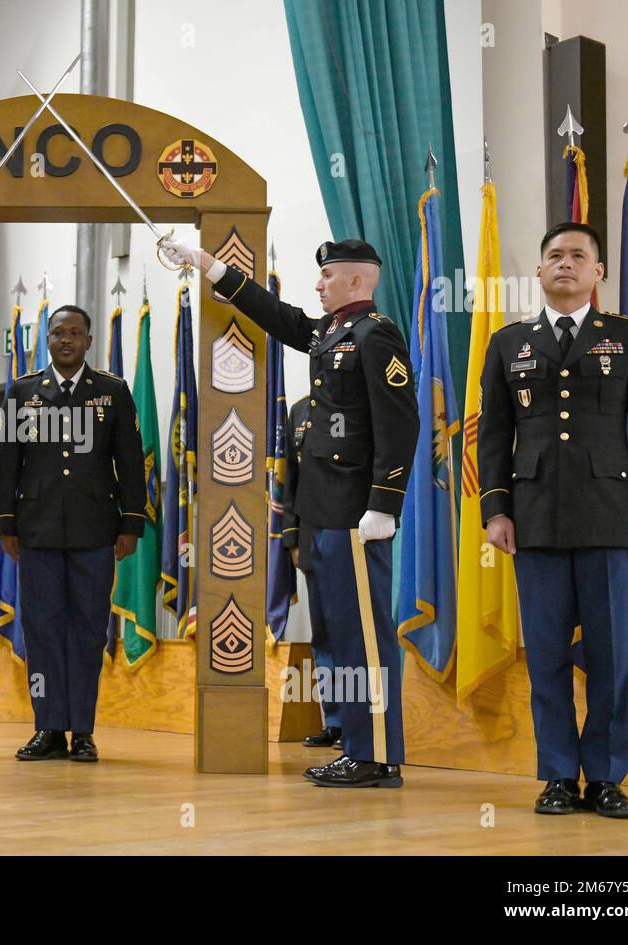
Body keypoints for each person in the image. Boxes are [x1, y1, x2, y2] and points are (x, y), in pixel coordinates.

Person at [161, 236, 418, 787]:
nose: (318, 285)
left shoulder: (376, 335)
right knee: (337, 633)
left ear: (356, 280)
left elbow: (400, 424)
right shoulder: (330, 332)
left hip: (356, 515)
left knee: (364, 638)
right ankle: (353, 744)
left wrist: (384, 502)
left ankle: (376, 754)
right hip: (323, 511)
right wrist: (209, 266)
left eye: (328, 277)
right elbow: (276, 316)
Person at [479, 221, 628, 819]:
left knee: (612, 656)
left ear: (598, 271)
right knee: (546, 656)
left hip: (610, 517)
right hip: (533, 518)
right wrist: (495, 507)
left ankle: (607, 777)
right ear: (539, 271)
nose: (566, 263)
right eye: (555, 255)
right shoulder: (509, 343)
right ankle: (559, 775)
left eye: (579, 256)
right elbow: (492, 434)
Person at [0, 304, 146, 763]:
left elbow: (130, 461)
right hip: (36, 530)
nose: (66, 340)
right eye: (58, 332)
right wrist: (5, 524)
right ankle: (48, 727)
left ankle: (82, 730)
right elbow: (7, 462)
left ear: (88, 342)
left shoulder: (112, 392)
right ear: (48, 339)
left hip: (94, 530)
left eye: (75, 333)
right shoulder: (23, 392)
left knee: (87, 632)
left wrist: (131, 523)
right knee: (41, 632)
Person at [282, 394, 341, 750]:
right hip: (310, 535)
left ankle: (358, 722)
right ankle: (334, 720)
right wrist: (292, 537)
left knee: (350, 633)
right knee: (323, 633)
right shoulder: (300, 410)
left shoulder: (355, 402)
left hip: (348, 533)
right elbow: (291, 478)